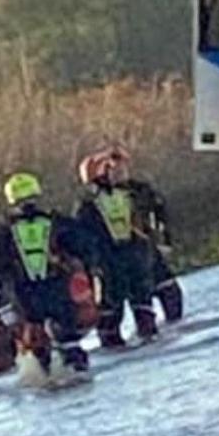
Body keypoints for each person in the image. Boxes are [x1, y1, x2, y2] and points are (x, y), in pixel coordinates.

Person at [0, 172, 95, 373]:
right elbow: (82, 245)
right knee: (65, 337)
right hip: (53, 288)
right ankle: (74, 367)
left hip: (25, 293)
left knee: (38, 342)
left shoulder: (4, 231)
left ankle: (49, 370)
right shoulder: (54, 222)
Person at [74, 147, 165, 347]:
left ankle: (131, 340)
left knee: (125, 312)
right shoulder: (105, 200)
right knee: (128, 311)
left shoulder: (94, 202)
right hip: (123, 260)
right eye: (110, 168)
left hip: (121, 260)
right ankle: (142, 338)